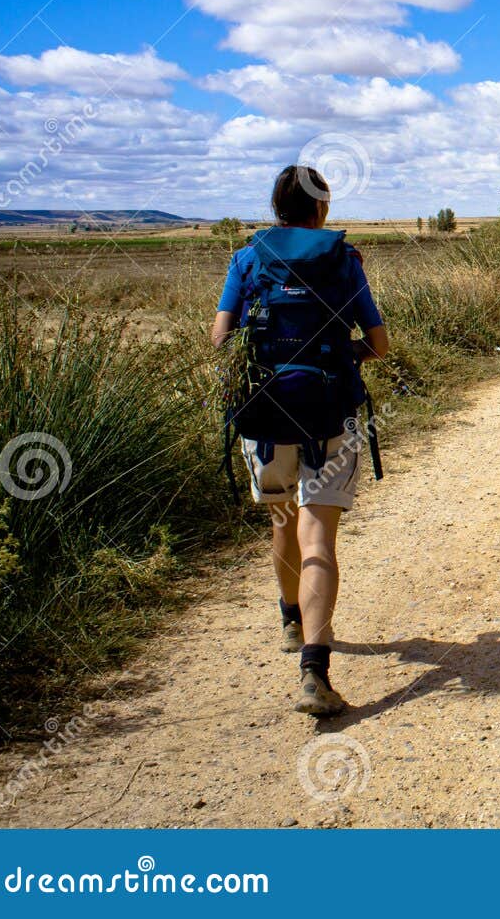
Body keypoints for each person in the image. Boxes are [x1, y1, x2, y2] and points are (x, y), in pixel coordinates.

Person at [211, 165, 390, 716]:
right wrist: (339, 356)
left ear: (275, 207)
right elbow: (379, 343)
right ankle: (315, 669)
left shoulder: (247, 258)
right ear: (322, 209)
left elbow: (221, 340)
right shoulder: (344, 258)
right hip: (330, 415)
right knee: (320, 539)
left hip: (264, 418)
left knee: (282, 521)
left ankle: (291, 620)